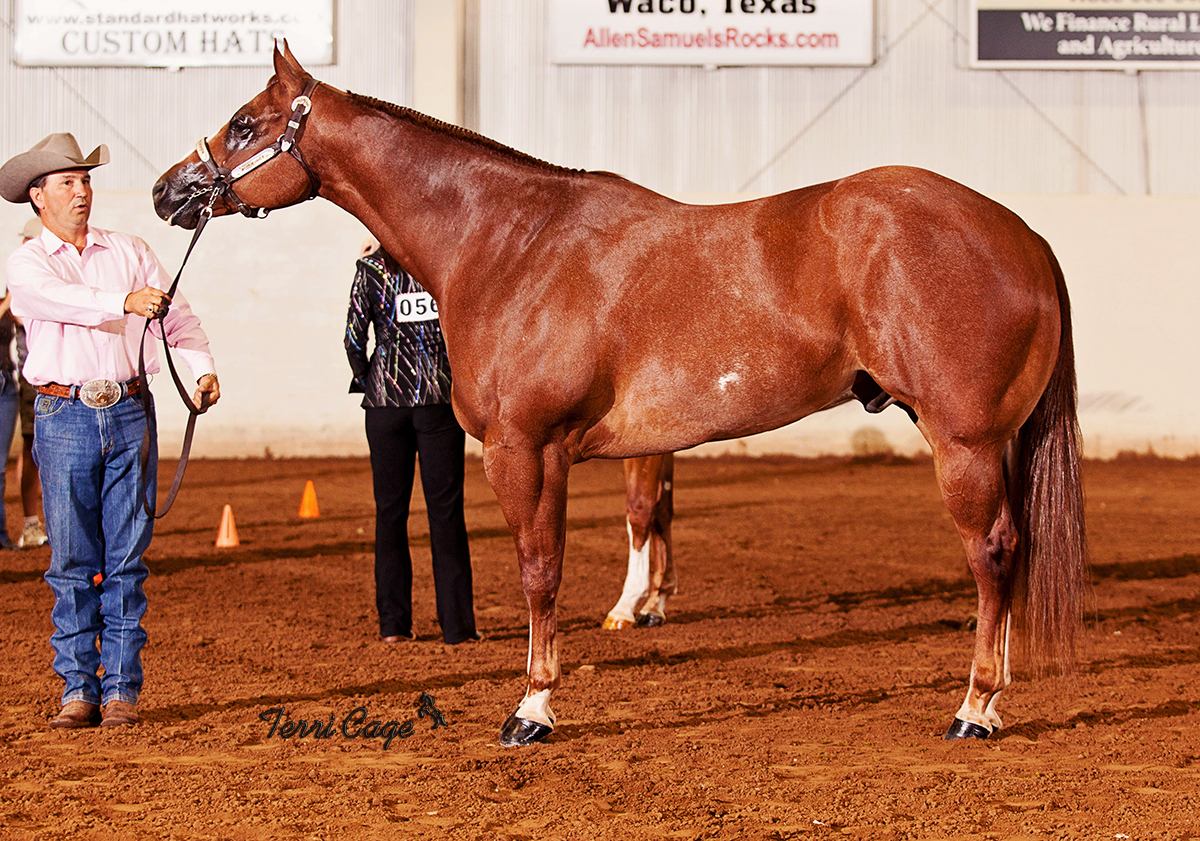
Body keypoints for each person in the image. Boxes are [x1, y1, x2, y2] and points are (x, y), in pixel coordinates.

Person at [0, 133, 221, 729]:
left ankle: (120, 689)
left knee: (124, 558)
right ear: (37, 196)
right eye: (68, 183)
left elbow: (178, 318)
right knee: (72, 561)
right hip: (62, 412)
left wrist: (200, 371)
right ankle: (78, 688)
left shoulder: (131, 249)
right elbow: (55, 300)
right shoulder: (27, 263)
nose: (82, 192)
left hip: (128, 409)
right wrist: (124, 301)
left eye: (86, 180)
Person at [345, 241, 479, 646]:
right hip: (439, 400)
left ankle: (394, 626)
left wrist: (369, 378)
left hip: (385, 404)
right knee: (446, 514)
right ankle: (457, 628)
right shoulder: (440, 262)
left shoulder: (370, 269)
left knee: (389, 514)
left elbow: (353, 338)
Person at [14, 218, 47, 549]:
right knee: (31, 448)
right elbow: (18, 313)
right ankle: (30, 522)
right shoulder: (22, 274)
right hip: (32, 378)